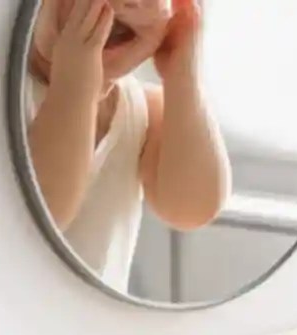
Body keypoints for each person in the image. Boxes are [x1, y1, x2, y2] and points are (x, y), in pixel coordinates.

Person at [27, 0, 231, 292]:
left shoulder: (143, 110)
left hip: (96, 332)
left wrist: (182, 76)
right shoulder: (11, 94)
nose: (124, 4)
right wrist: (76, 88)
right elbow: (38, 215)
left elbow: (192, 208)